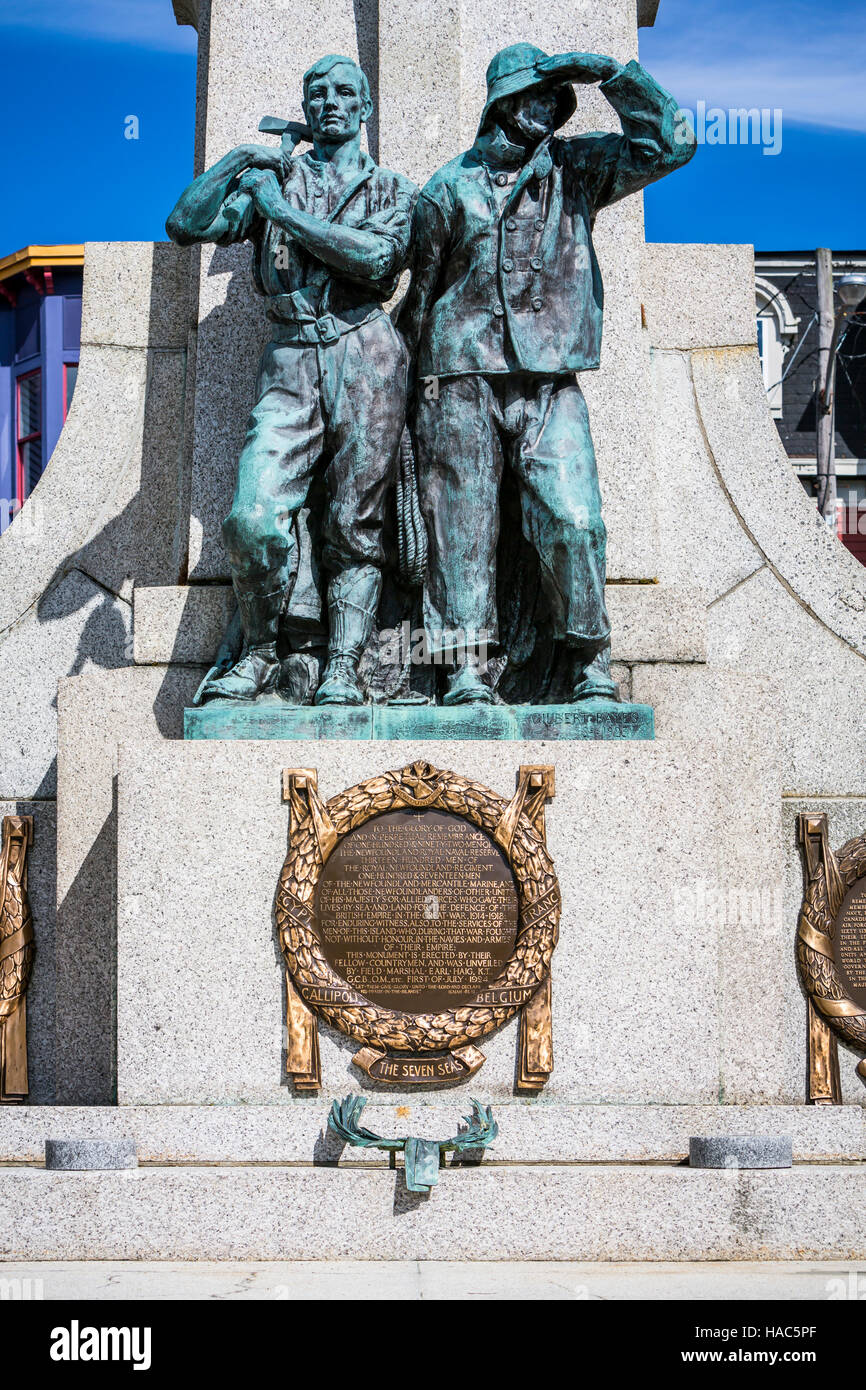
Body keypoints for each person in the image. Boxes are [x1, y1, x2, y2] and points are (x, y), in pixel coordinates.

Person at [398, 45, 696, 704]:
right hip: (456, 373)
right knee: (459, 526)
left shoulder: (578, 167)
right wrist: (404, 390)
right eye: (534, 95)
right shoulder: (448, 187)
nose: (547, 106)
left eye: (554, 98)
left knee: (573, 518)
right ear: (502, 102)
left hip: (549, 375)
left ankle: (589, 657)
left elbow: (671, 147)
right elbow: (420, 294)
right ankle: (464, 668)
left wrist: (616, 76)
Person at [166, 55, 418, 703]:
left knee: (355, 523)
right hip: (290, 352)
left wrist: (285, 213)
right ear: (305, 110)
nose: (329, 102)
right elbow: (185, 224)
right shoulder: (275, 178)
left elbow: (377, 261)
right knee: (252, 516)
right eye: (316, 94)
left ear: (363, 108)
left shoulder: (390, 188)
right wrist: (239, 161)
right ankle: (256, 653)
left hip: (365, 349)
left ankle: (343, 665)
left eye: (343, 93)